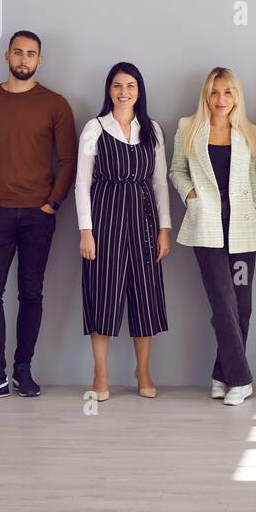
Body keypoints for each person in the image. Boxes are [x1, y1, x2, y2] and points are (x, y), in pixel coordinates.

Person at [0, 29, 77, 402]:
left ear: (39, 60)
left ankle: (22, 369)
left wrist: (52, 203)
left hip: (39, 216)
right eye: (18, 53)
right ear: (6, 56)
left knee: (32, 293)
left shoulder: (56, 104)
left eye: (31, 54)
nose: (24, 60)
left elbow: (69, 160)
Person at [169, 67, 256, 407]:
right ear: (206, 95)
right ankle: (242, 380)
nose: (221, 100)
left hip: (243, 229)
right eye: (214, 92)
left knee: (242, 305)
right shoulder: (189, 128)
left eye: (228, 92)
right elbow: (176, 170)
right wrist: (190, 196)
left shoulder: (249, 132)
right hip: (208, 229)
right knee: (222, 304)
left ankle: (220, 375)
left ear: (236, 96)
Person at [76, 63, 171, 400]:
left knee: (145, 296)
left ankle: (142, 370)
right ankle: (99, 374)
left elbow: (159, 183)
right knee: (103, 293)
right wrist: (85, 231)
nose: (123, 92)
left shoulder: (153, 130)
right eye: (117, 86)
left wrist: (164, 228)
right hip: (105, 218)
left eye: (130, 85)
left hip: (144, 219)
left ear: (139, 90)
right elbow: (82, 183)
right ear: (109, 90)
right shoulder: (95, 128)